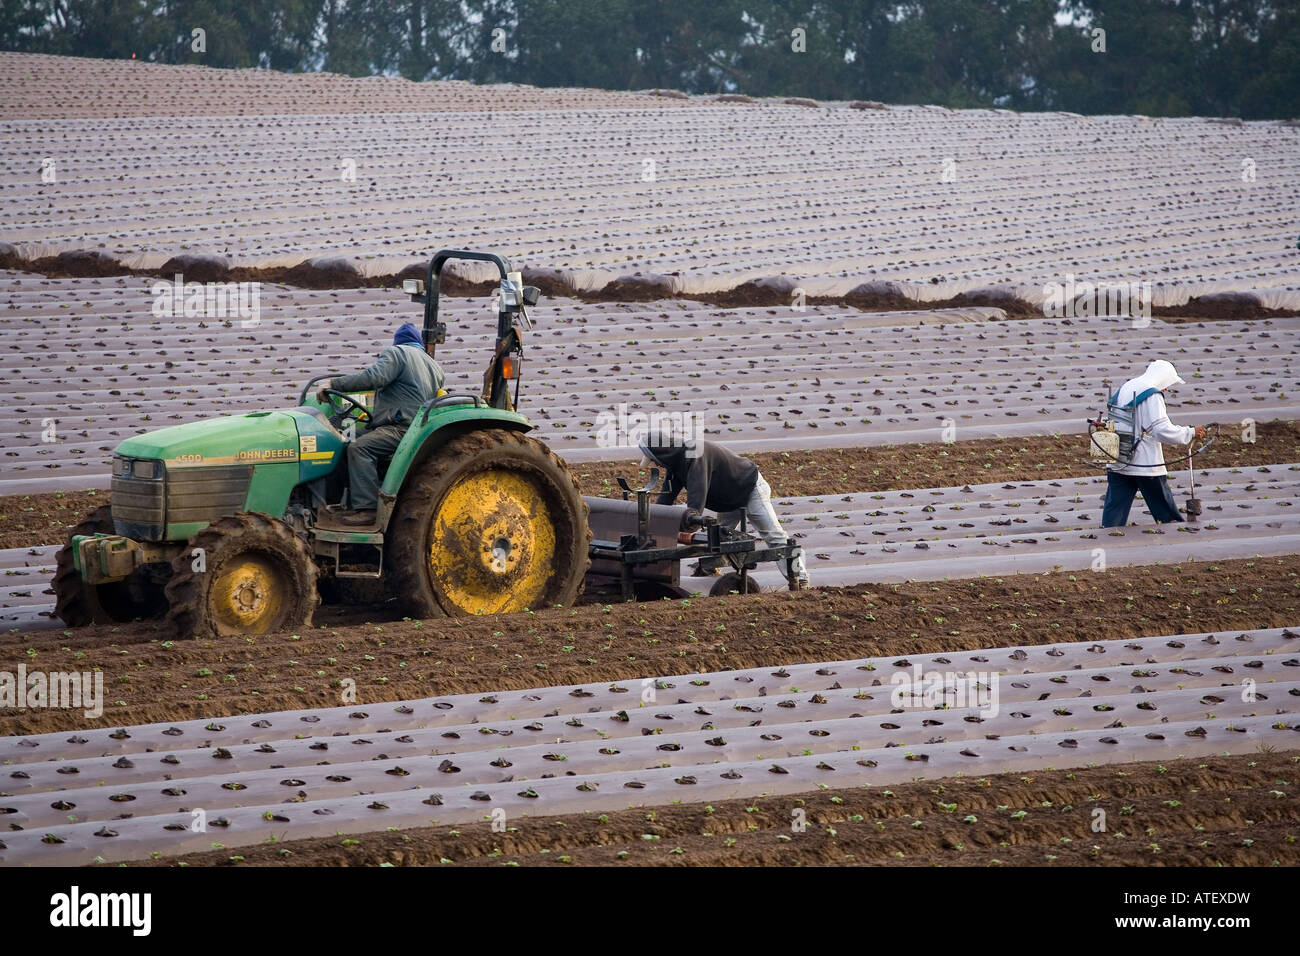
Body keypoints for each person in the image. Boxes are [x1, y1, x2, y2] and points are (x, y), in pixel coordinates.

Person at [638, 433, 809, 588]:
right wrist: (652, 521)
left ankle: (799, 577)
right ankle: (709, 572)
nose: (656, 465)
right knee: (721, 537)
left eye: (654, 460)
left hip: (749, 487)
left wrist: (689, 526)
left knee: (773, 535)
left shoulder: (696, 453)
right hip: (727, 497)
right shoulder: (676, 464)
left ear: (662, 453)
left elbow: (697, 498)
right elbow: (666, 497)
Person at [318, 321, 444, 526]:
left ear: (398, 342)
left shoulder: (398, 353)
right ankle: (335, 504)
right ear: (419, 344)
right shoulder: (435, 367)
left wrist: (334, 384)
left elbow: (375, 377)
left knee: (359, 448)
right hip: (415, 429)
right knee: (342, 439)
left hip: (399, 429)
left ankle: (366, 508)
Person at [1101, 359, 1206, 527]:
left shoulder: (1126, 387)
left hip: (1118, 457)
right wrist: (1190, 432)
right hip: (1145, 463)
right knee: (1165, 510)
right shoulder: (1152, 395)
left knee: (1114, 510)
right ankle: (1177, 537)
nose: (1166, 389)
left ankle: (1108, 537)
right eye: (1167, 385)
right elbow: (1161, 430)